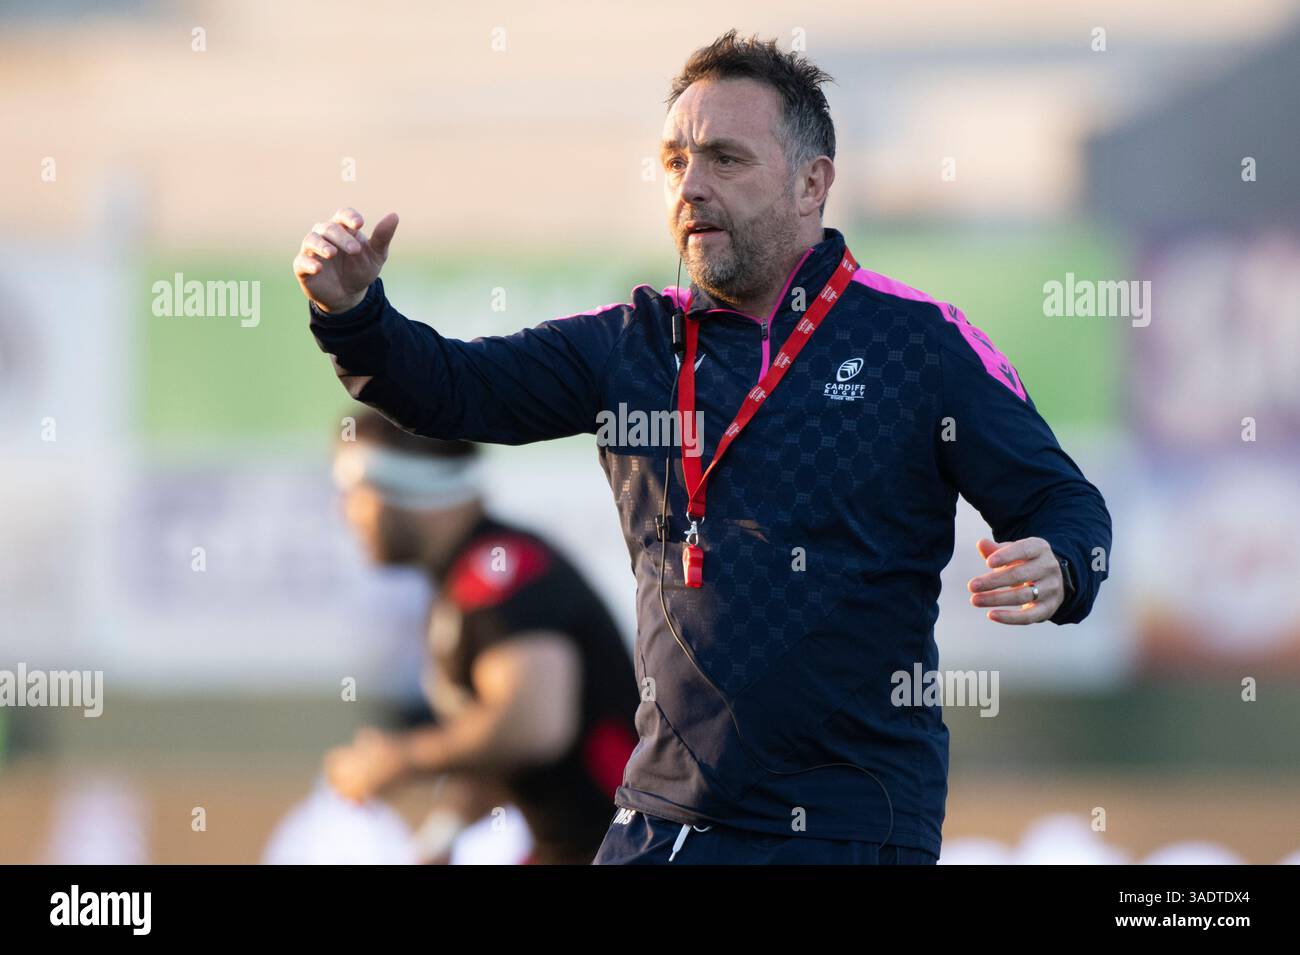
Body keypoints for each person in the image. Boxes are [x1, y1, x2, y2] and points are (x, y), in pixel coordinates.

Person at [293, 30, 1111, 865]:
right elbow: (450, 387)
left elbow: (1064, 502)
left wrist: (1066, 561)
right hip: (666, 820)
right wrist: (355, 316)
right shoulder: (632, 346)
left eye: (725, 159)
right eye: (675, 160)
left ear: (812, 183)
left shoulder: (919, 344)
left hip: (852, 825)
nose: (691, 185)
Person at [321, 409, 638, 864]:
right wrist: (441, 837)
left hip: (623, 848)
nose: (344, 511)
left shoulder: (501, 570)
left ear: (406, 485)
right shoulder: (463, 582)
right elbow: (499, 752)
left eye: (353, 491)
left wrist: (401, 758)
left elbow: (533, 725)